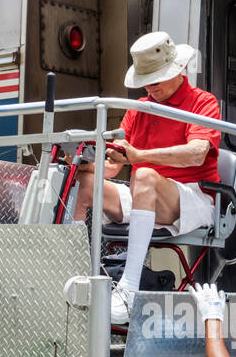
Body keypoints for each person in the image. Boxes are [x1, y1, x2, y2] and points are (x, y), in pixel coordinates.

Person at [73, 31, 221, 323]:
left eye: (156, 78)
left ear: (178, 70)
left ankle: (128, 290)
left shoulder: (203, 102)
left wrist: (140, 157)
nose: (150, 87)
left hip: (195, 196)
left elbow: (197, 153)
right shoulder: (138, 110)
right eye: (146, 81)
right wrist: (83, 162)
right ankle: (75, 276)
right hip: (147, 191)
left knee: (144, 176)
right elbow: (115, 166)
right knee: (85, 184)